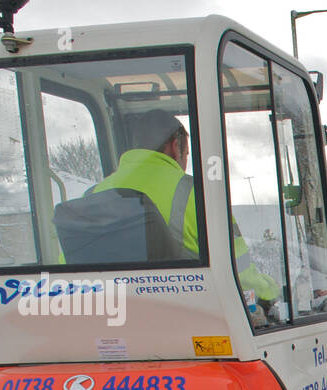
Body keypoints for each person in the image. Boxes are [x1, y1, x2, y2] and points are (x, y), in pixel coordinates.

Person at [76, 109, 281, 319]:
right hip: (181, 321)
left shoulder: (91, 195)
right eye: (187, 155)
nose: (184, 163)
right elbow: (240, 274)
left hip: (104, 321)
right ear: (176, 146)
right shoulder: (197, 195)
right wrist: (272, 291)